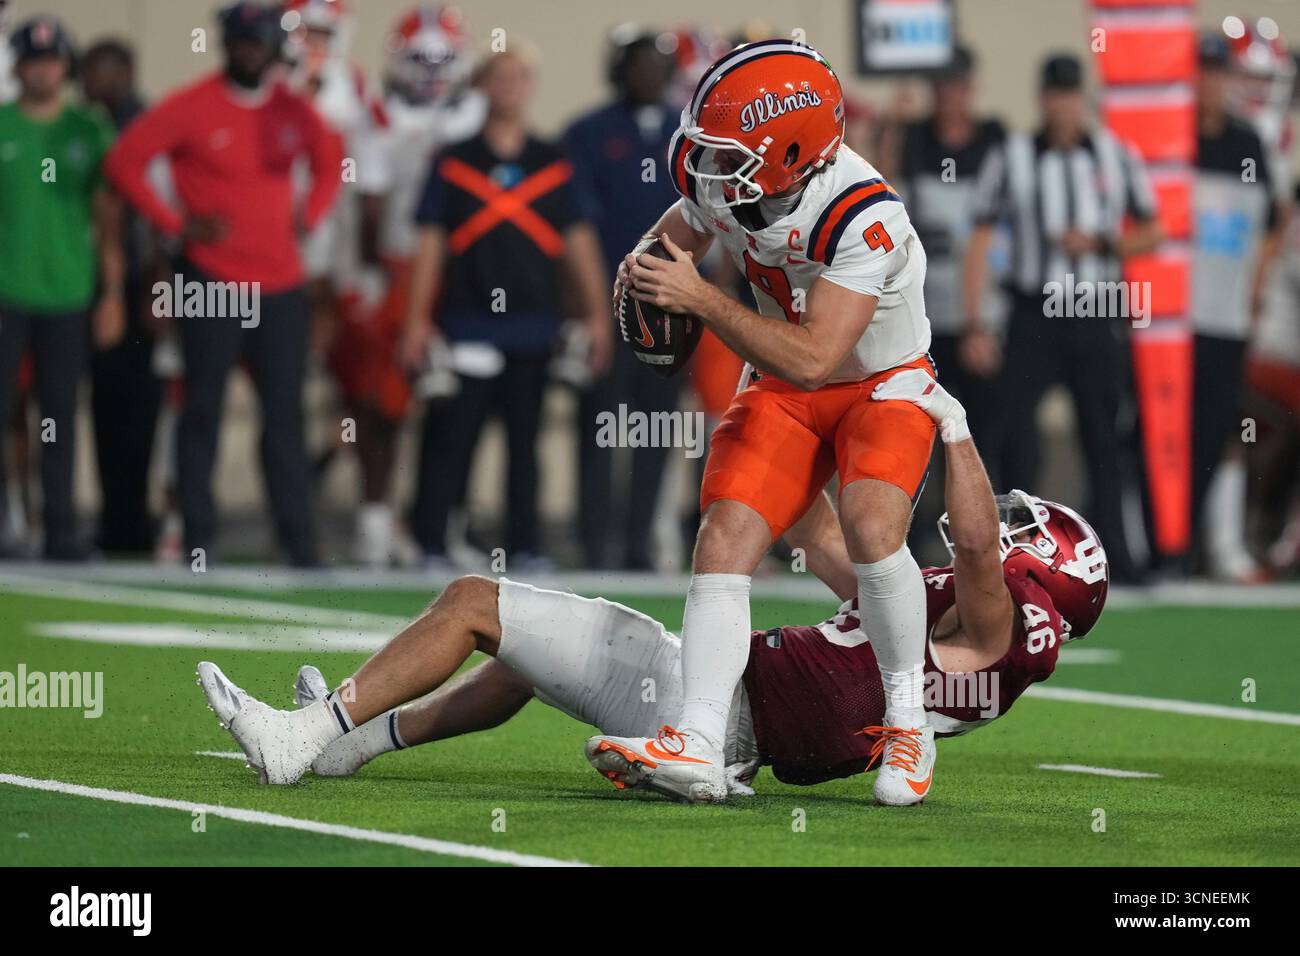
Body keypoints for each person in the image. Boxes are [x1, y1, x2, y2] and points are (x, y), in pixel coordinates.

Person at [195, 369, 1110, 799]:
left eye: (1039, 537)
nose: (1012, 530)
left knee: (476, 601)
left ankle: (304, 738)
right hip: (719, 700)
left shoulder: (1009, 634)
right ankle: (355, 743)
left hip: (712, 706)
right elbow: (819, 532)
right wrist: (787, 426)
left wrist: (950, 430)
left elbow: (987, 551)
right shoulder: (940, 611)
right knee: (519, 654)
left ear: (1052, 579)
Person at [601, 40, 937, 805]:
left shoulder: (864, 214)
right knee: (725, 534)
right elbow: (673, 236)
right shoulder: (736, 181)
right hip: (784, 377)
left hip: (876, 380)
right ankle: (697, 738)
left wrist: (701, 301)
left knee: (871, 524)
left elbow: (821, 356)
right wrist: (645, 270)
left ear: (789, 153)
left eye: (729, 155)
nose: (707, 169)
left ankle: (910, 723)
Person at [104, 1, 343, 567]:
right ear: (226, 45)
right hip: (211, 279)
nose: (250, 52)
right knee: (202, 409)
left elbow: (332, 158)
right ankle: (197, 541)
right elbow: (124, 162)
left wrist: (313, 211)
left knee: (284, 415)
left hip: (282, 283)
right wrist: (175, 224)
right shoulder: (192, 104)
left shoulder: (292, 109)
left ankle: (298, 543)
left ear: (272, 49)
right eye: (241, 42)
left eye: (259, 43)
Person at [401, 47, 610, 570]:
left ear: (530, 86)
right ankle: (432, 542)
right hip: (466, 321)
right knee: (452, 439)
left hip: (534, 326)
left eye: (519, 78)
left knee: (525, 443)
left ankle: (526, 546)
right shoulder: (454, 160)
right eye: (499, 77)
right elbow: (430, 243)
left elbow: (577, 240)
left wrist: (598, 313)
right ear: (482, 85)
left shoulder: (554, 161)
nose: (510, 87)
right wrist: (415, 320)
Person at [962, 53, 1163, 583]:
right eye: (1054, 95)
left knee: (1102, 433)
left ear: (1082, 99)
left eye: (1071, 94)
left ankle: (1111, 553)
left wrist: (1100, 241)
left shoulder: (1115, 155)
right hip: (1033, 311)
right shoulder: (1014, 155)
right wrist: (977, 320)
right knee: (1014, 432)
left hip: (1093, 308)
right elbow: (979, 236)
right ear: (1042, 99)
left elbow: (1152, 231)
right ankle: (1018, 550)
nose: (1063, 105)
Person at [326, 4, 485, 568]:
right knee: (384, 404)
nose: (433, 69)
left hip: (464, 279)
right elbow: (370, 211)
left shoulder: (476, 114)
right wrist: (375, 276)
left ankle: (438, 525)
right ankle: (375, 521)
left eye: (444, 57)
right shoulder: (379, 118)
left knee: (457, 409)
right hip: (397, 270)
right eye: (421, 57)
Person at [0, 16, 122, 561]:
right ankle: (9, 523)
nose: (43, 70)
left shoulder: (89, 129)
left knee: (57, 419)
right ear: (18, 65)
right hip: (6, 290)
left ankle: (60, 532)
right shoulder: (2, 125)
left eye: (51, 61)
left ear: (64, 67)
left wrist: (114, 291)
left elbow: (108, 218)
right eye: (32, 60)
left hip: (69, 292)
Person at [562, 27, 682, 570]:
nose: (648, 75)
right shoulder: (587, 133)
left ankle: (638, 547)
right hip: (609, 306)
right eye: (638, 64)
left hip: (672, 307)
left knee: (657, 431)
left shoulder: (690, 134)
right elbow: (576, 226)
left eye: (657, 64)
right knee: (599, 430)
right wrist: (589, 309)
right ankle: (593, 546)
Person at [892, 45, 1006, 563]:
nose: (949, 95)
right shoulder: (913, 139)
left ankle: (987, 541)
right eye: (941, 84)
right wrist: (893, 125)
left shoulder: (994, 141)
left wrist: (983, 319)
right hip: (924, 314)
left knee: (981, 432)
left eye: (956, 84)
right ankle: (914, 541)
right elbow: (882, 192)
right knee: (916, 433)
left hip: (978, 312)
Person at [81, 38, 165, 555]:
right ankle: (117, 521)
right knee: (106, 405)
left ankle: (131, 522)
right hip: (100, 282)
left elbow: (155, 213)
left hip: (138, 286)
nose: (90, 81)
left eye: (102, 71)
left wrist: (156, 285)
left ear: (127, 71)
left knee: (137, 409)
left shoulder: (144, 126)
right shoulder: (88, 127)